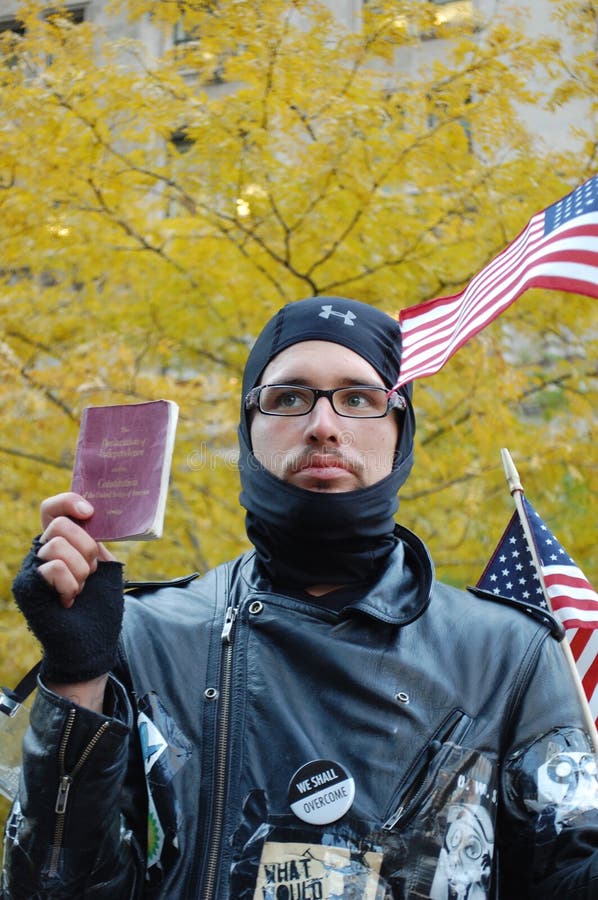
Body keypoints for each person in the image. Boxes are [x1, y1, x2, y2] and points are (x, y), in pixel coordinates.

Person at [2, 295, 598, 900]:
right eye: (289, 398)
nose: (323, 425)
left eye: (359, 399)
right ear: (248, 430)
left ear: (400, 432)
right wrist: (76, 680)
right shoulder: (140, 637)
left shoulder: (508, 653)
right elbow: (51, 886)